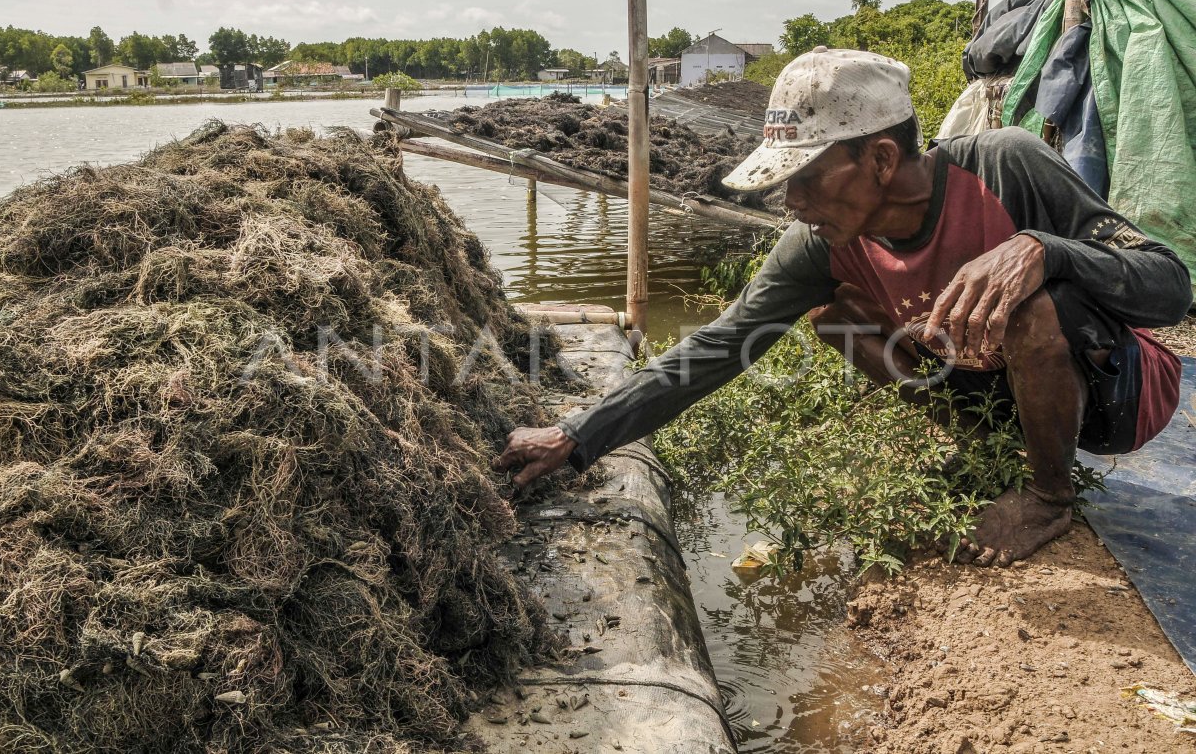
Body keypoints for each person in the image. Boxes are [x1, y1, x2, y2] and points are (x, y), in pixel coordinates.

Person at [493, 47, 1191, 567]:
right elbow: (718, 346)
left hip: (1118, 392)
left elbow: (1169, 285)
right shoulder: (819, 244)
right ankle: (986, 447)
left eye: (804, 179)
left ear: (882, 160)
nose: (791, 203)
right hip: (994, 388)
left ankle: (1048, 497)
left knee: (1031, 306)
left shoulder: (1006, 166)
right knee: (835, 319)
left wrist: (1045, 249)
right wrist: (578, 436)